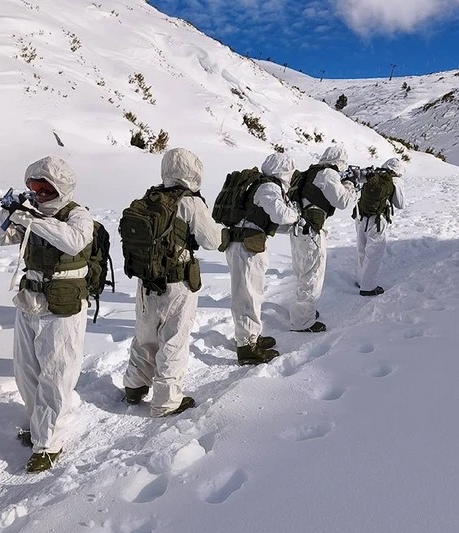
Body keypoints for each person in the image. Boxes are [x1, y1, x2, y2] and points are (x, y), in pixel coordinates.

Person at [0, 156, 93, 474]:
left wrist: (31, 219)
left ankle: (49, 444)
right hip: (30, 302)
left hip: (63, 307)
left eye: (45, 186)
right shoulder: (29, 215)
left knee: (56, 375)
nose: (40, 193)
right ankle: (37, 425)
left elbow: (73, 242)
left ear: (62, 187)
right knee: (26, 371)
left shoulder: (78, 215)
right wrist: (8, 211)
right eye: (33, 186)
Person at [122, 147, 223, 417]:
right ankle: (166, 402)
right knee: (174, 341)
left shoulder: (151, 197)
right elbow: (211, 241)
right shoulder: (190, 202)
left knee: (145, 336)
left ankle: (134, 385)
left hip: (146, 281)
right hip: (177, 283)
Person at [225, 153, 300, 365]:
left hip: (245, 244)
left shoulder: (260, 185)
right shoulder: (268, 188)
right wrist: (296, 215)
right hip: (246, 247)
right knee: (247, 296)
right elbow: (280, 215)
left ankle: (252, 336)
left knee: (252, 294)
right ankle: (247, 347)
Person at [288, 145, 359, 332]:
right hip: (312, 230)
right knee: (312, 275)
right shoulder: (328, 174)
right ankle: (303, 321)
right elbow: (342, 201)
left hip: (298, 230)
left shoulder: (310, 172)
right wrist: (350, 184)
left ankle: (303, 311)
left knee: (303, 272)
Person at [356, 157, 405, 296]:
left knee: (362, 249)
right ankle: (368, 287)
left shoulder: (373, 174)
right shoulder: (394, 180)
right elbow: (400, 204)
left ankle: (361, 279)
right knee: (374, 252)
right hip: (378, 219)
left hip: (362, 215)